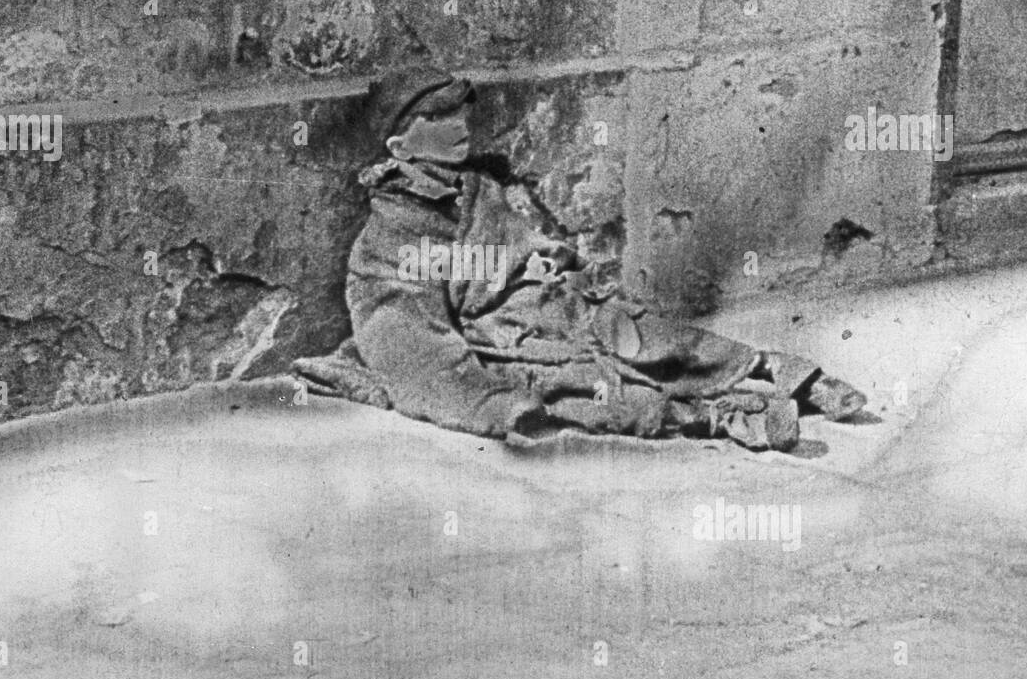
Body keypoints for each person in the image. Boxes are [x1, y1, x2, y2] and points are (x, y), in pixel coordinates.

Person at [294, 69, 867, 451]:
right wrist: (491, 405)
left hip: (558, 304)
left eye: (459, 114)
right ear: (399, 149)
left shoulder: (477, 191)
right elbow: (404, 339)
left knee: (663, 341)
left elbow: (524, 244)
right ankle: (728, 418)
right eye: (438, 120)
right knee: (601, 395)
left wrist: (547, 261)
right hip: (507, 338)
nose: (460, 127)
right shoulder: (389, 238)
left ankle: (789, 377)